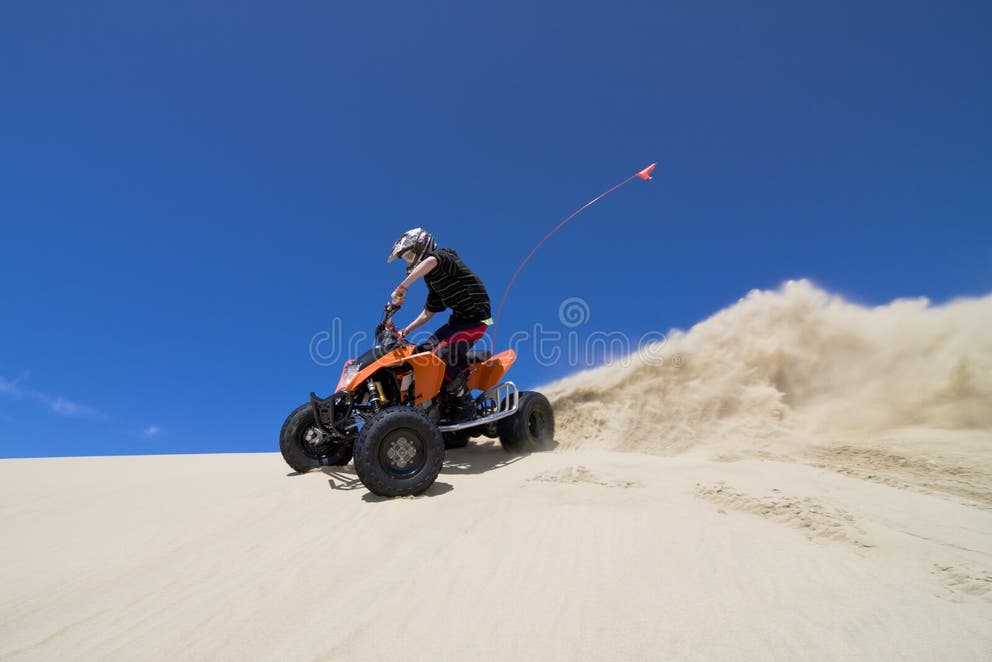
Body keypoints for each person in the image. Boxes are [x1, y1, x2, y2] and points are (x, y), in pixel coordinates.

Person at [387, 227, 493, 423]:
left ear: (422, 247)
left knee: (440, 357)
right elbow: (429, 311)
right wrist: (405, 330)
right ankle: (435, 402)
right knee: (420, 353)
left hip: (477, 320)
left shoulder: (444, 256)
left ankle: (465, 404)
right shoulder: (433, 282)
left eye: (409, 256)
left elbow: (430, 262)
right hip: (457, 322)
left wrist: (402, 287)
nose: (409, 261)